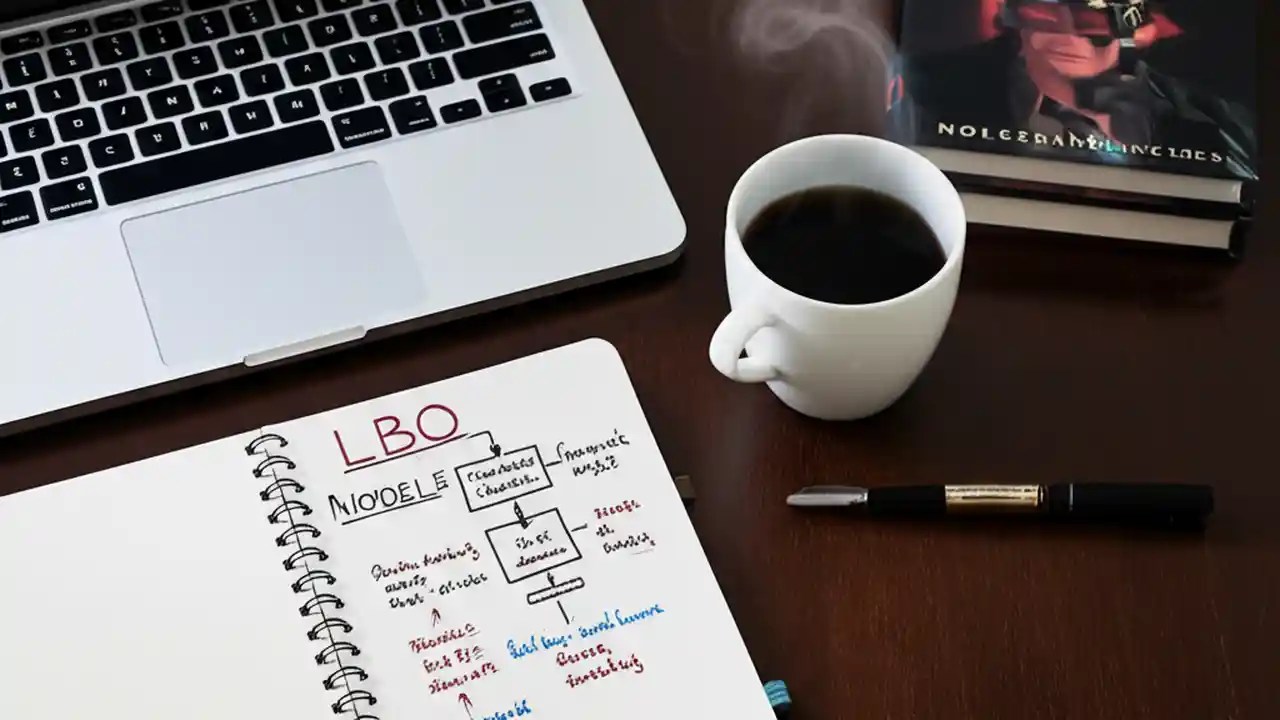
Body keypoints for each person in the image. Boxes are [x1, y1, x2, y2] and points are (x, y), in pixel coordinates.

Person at [893, 0, 1257, 179]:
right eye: (1047, 11)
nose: (1068, 34)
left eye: (1088, 16)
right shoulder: (936, 89)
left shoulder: (1213, 117)